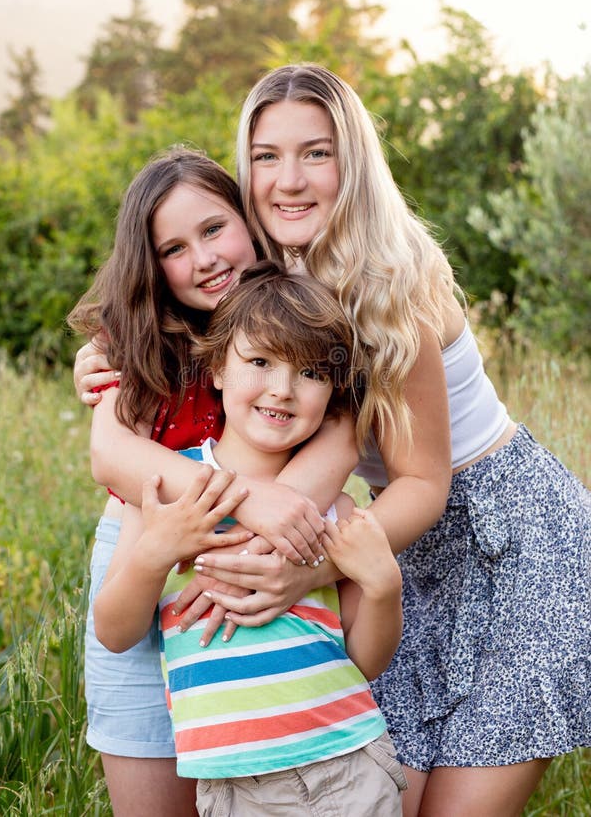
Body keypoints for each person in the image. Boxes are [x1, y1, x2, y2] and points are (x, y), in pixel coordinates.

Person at [75, 64, 591, 817]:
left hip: (508, 536)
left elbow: (423, 480)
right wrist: (104, 356)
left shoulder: (394, 280)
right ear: (243, 170)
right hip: (394, 549)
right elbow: (121, 438)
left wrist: (308, 570)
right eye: (266, 156)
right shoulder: (262, 280)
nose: (290, 179)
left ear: (353, 162)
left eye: (317, 153)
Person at [68, 147, 358, 817]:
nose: (203, 259)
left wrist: (253, 555)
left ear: (248, 220)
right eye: (173, 247)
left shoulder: (300, 314)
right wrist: (246, 497)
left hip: (269, 561)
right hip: (141, 558)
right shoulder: (134, 341)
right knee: (147, 763)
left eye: (213, 228)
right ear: (151, 265)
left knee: (266, 775)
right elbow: (109, 457)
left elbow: (342, 433)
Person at [92, 261, 407, 816]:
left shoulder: (331, 505)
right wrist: (157, 552)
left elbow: (366, 660)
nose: (282, 390)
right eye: (259, 362)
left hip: (344, 766)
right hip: (227, 784)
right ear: (216, 368)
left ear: (333, 388)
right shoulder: (163, 489)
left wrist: (384, 588)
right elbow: (115, 632)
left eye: (310, 373)